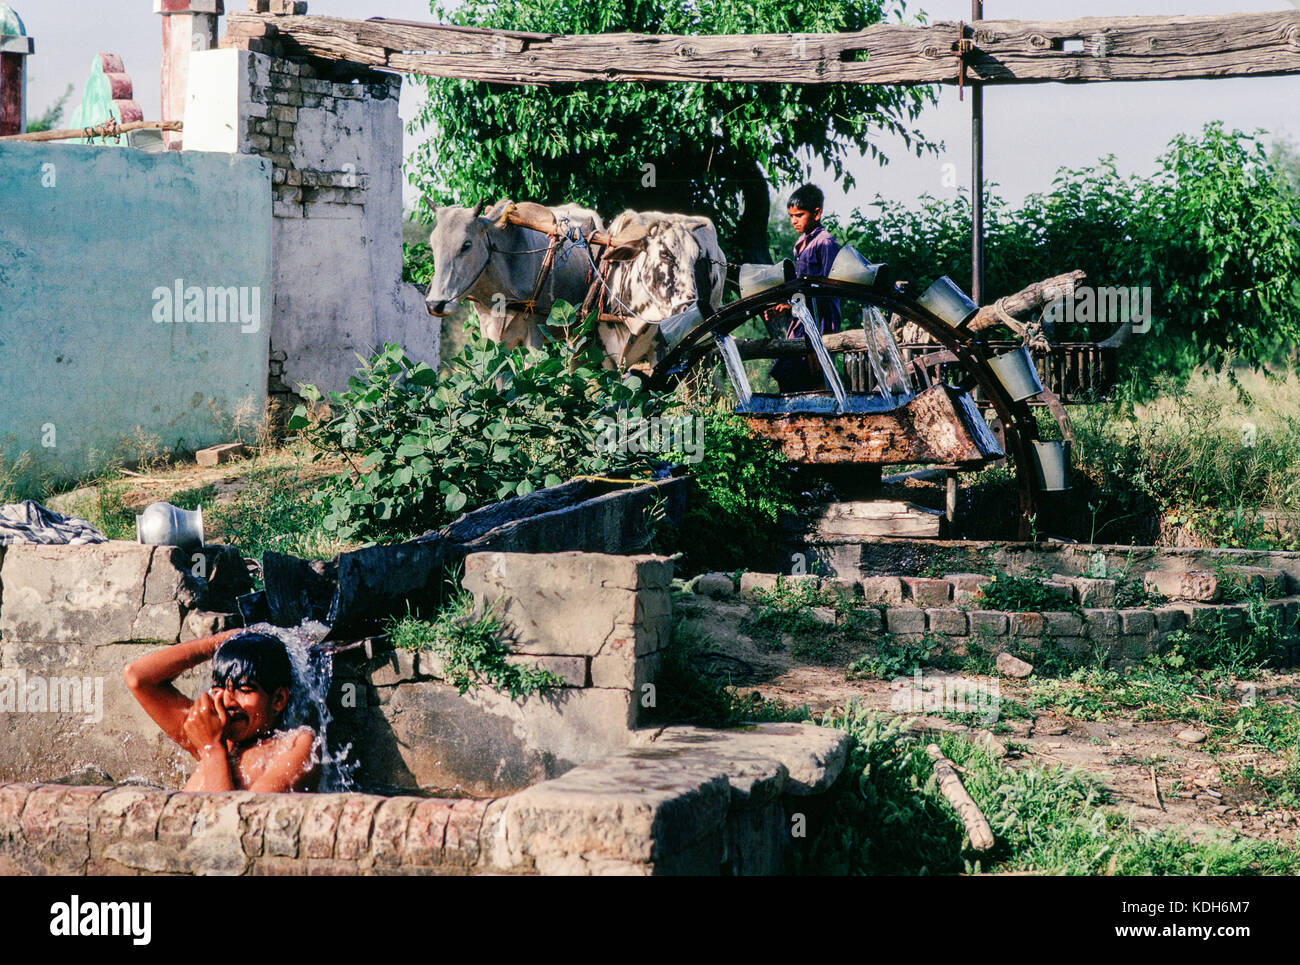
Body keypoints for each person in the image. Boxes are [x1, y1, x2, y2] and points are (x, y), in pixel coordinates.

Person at [124, 629, 319, 792]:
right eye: (218, 689)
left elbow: (235, 824)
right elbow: (137, 677)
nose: (227, 701)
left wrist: (211, 750)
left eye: (244, 690)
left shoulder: (295, 745)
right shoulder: (216, 734)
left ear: (278, 699)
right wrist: (218, 642)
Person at [769, 183, 843, 393]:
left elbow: (829, 286)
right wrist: (785, 304)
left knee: (814, 374)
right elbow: (799, 286)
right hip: (802, 319)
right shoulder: (800, 244)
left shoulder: (825, 243)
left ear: (817, 213)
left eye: (799, 215)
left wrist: (792, 305)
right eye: (791, 216)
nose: (794, 221)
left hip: (820, 319)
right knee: (786, 373)